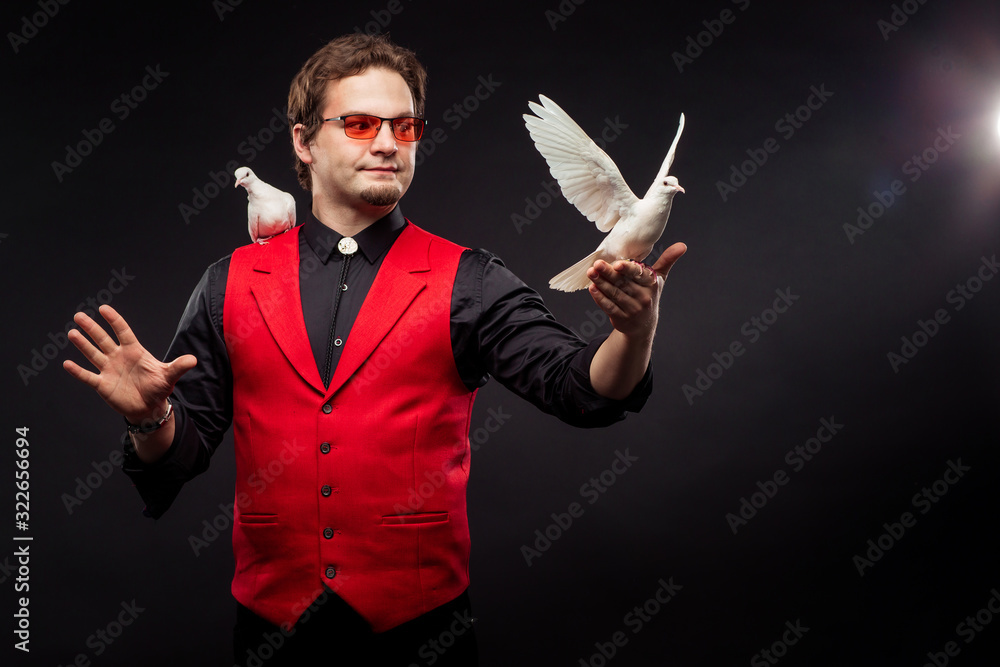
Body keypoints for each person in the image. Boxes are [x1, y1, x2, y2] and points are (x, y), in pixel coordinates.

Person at [63, 33, 686, 666]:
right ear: (304, 142)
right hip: (270, 630)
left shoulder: (471, 280)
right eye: (359, 124)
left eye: (405, 125)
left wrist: (632, 334)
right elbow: (182, 453)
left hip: (423, 631)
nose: (387, 143)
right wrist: (150, 418)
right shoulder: (228, 282)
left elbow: (578, 388)